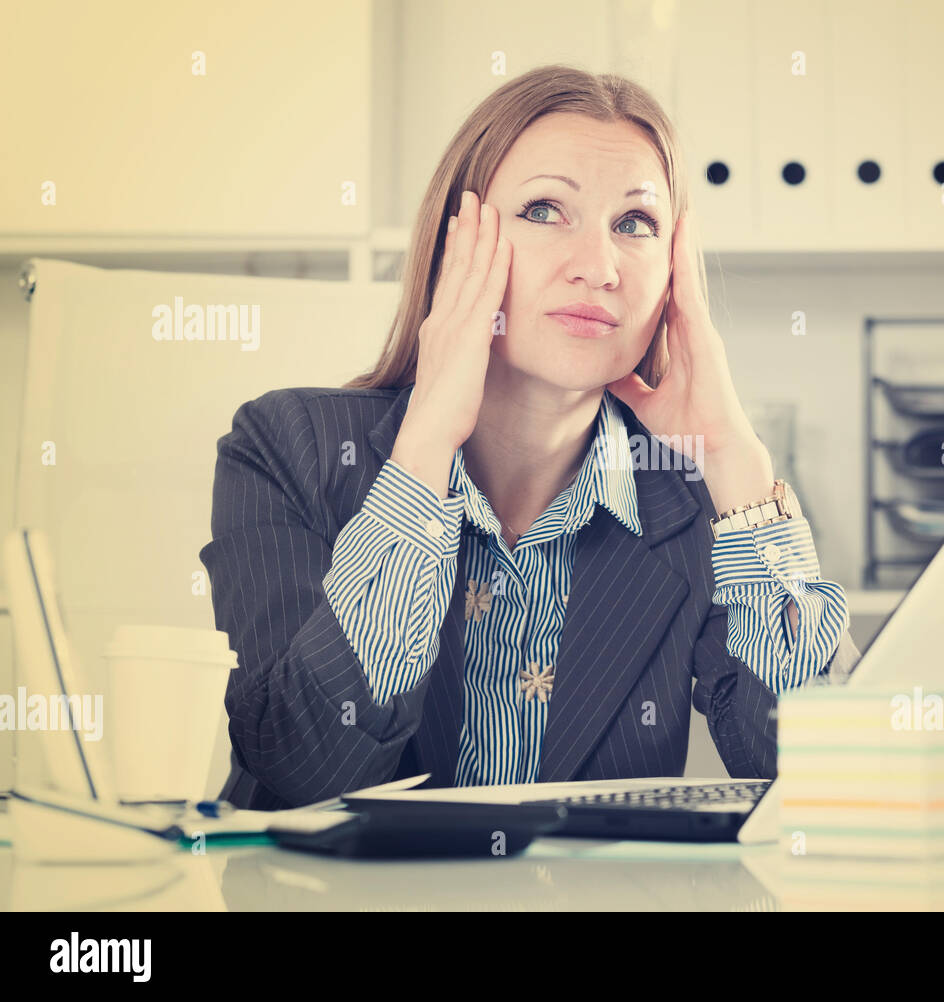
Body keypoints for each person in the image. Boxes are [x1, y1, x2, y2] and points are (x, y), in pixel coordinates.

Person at [200, 65, 858, 811]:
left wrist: (738, 463)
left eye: (634, 224)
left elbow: (826, 775)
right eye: (546, 210)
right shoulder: (286, 449)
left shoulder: (699, 503)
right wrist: (421, 461)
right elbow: (301, 766)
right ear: (458, 245)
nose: (599, 268)